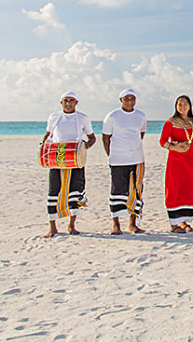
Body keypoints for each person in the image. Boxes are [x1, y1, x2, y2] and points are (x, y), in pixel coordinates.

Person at [41, 91, 96, 238]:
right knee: (54, 192)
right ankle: (52, 227)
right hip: (57, 159)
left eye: (71, 100)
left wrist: (84, 149)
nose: (68, 103)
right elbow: (48, 135)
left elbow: (92, 138)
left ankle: (71, 226)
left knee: (75, 192)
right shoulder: (54, 117)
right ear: (61, 103)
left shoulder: (83, 118)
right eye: (65, 100)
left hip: (75, 160)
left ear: (76, 102)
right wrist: (44, 144)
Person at [102, 88, 147, 235]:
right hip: (117, 160)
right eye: (126, 99)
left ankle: (132, 223)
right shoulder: (112, 116)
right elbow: (106, 137)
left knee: (136, 190)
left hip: (137, 159)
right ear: (121, 100)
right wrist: (111, 154)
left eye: (132, 98)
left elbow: (141, 133)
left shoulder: (141, 115)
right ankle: (116, 225)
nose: (129, 101)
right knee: (117, 191)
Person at [159, 95, 193, 233]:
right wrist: (174, 147)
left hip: (191, 161)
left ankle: (184, 222)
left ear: (190, 106)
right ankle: (174, 224)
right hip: (176, 162)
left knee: (189, 189)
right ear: (176, 107)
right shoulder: (170, 122)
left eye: (185, 104)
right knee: (175, 189)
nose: (182, 107)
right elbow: (162, 141)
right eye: (179, 104)